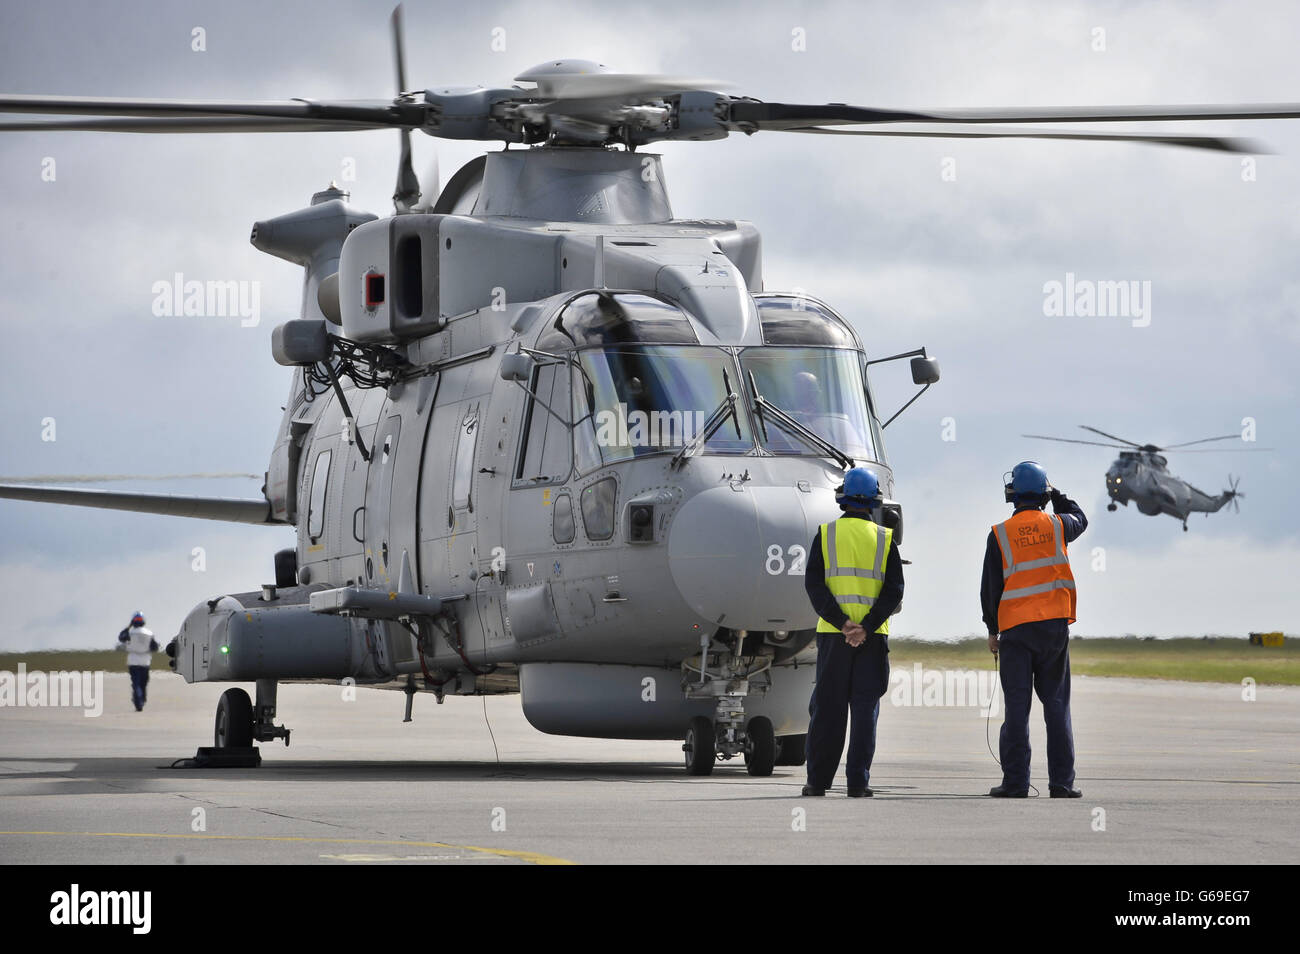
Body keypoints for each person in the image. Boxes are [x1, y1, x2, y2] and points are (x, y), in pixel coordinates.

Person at [981, 461, 1087, 798]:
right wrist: (1058, 494)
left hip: (1015, 630)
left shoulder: (999, 534)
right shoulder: (1058, 525)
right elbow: (1080, 517)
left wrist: (992, 630)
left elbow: (990, 587)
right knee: (1056, 707)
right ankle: (1061, 784)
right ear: (1043, 494)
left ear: (1011, 494)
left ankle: (1015, 783)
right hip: (1054, 628)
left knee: (1016, 709)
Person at [801, 466, 904, 797]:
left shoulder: (826, 534)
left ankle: (817, 783)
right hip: (872, 640)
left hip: (833, 638)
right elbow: (894, 592)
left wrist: (841, 623)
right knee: (864, 712)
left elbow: (814, 585)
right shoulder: (885, 540)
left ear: (842, 498)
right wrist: (866, 627)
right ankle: (858, 783)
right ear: (874, 500)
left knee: (827, 710)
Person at [116, 612, 159, 712]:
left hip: (133, 662)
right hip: (145, 662)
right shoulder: (149, 633)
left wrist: (129, 626)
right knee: (143, 683)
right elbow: (155, 647)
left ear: (133, 622)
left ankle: (138, 700)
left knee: (136, 683)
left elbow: (121, 637)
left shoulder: (130, 633)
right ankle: (141, 700)